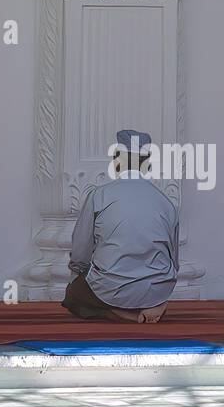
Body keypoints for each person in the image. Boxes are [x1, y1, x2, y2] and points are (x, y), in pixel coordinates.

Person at [63, 130, 179, 324]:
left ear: (116, 160)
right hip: (157, 288)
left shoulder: (99, 195)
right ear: (148, 162)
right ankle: (152, 305)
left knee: (74, 296)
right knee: (148, 287)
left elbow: (80, 252)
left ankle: (125, 315)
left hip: (110, 287)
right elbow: (174, 260)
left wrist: (78, 278)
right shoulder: (166, 202)